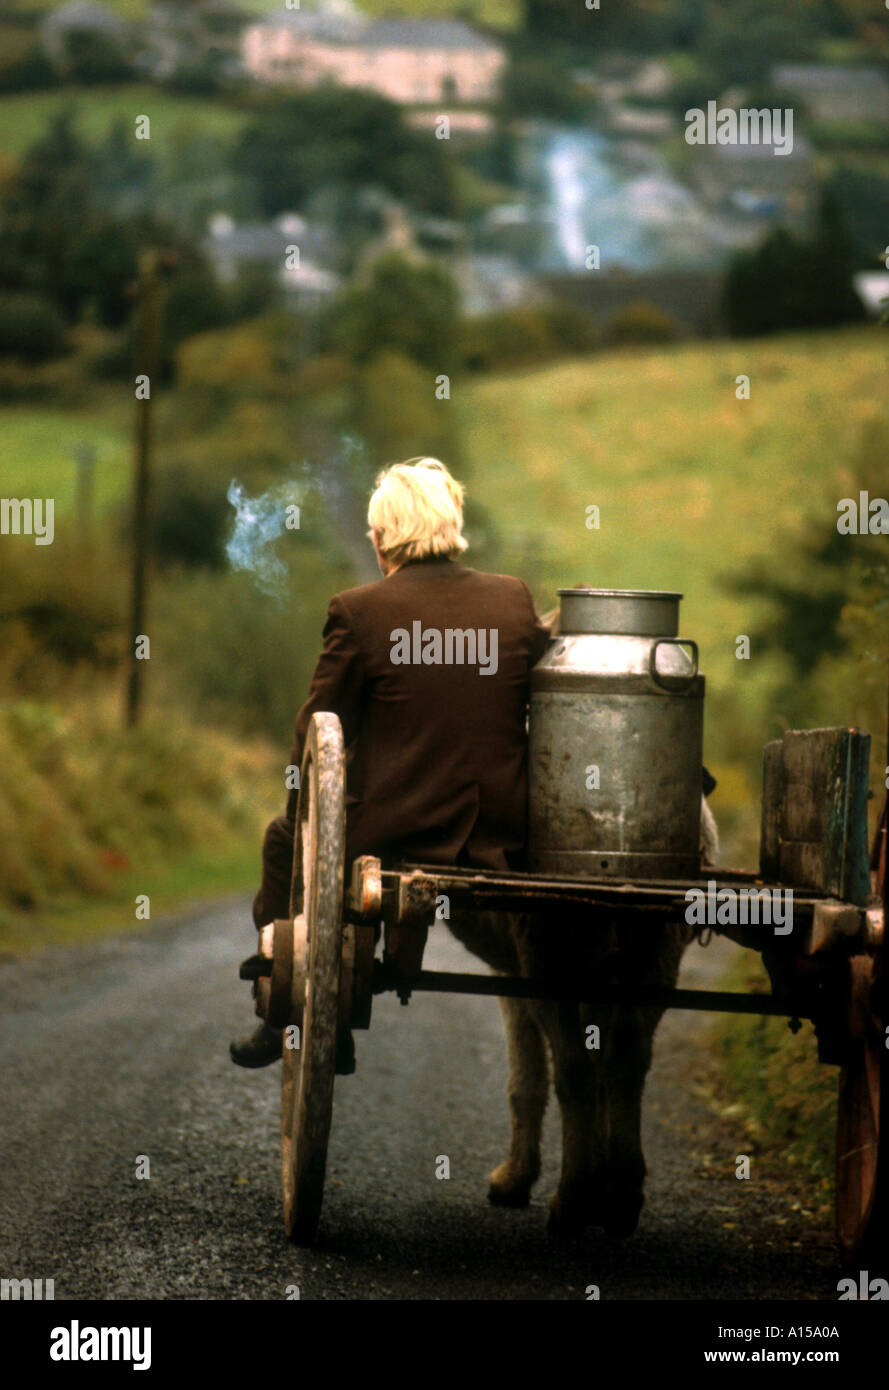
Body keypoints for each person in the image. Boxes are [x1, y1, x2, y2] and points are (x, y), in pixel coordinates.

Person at [230, 456, 550, 1068]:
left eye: (374, 532)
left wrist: (303, 822)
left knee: (279, 838)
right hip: (500, 832)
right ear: (450, 522)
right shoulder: (513, 601)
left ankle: (291, 999)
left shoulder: (358, 612)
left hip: (394, 833)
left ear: (385, 537)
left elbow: (317, 730)